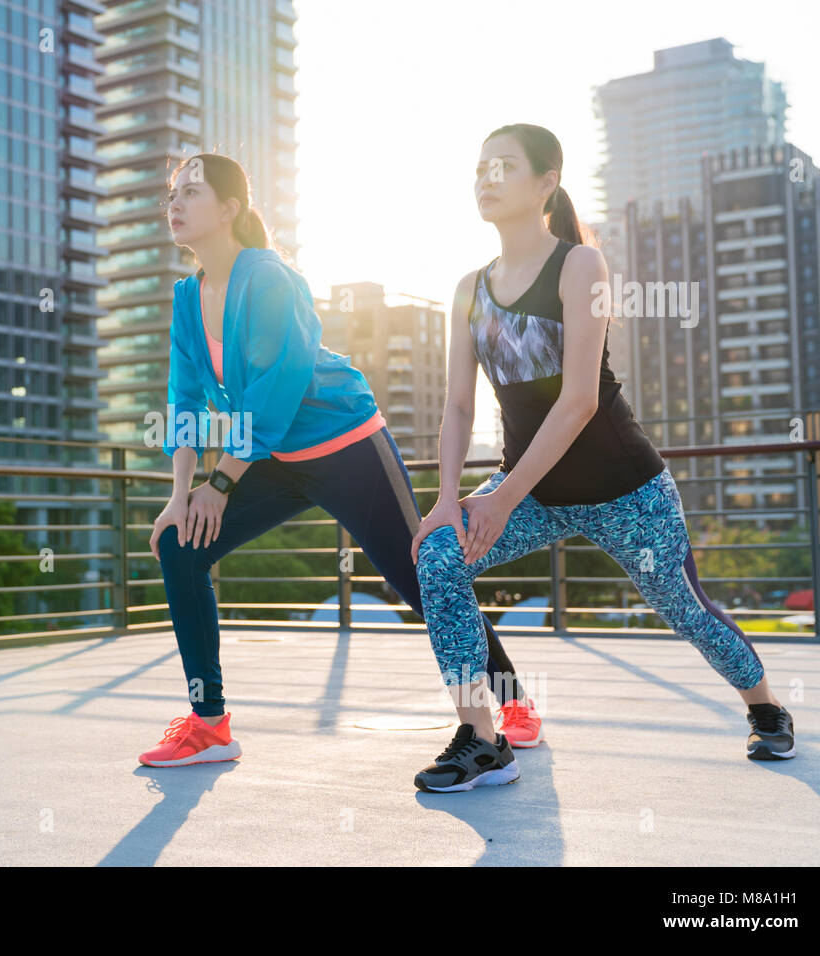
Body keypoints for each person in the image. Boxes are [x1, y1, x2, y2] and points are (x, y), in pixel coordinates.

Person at [409, 123, 795, 793]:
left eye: (504, 166)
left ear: (546, 183)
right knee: (438, 557)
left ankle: (766, 708)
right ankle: (481, 738)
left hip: (625, 489)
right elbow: (460, 409)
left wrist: (500, 497)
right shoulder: (469, 288)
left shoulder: (579, 265)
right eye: (480, 167)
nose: (487, 178)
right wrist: (449, 498)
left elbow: (580, 401)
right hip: (533, 494)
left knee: (685, 609)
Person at [140, 152, 539, 768]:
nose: (176, 204)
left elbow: (277, 389)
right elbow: (184, 398)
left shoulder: (269, 277)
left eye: (192, 192)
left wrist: (219, 483)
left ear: (229, 209)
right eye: (172, 194)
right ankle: (208, 721)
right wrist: (181, 494)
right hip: (271, 457)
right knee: (180, 546)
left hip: (345, 444)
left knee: (417, 574)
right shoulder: (188, 298)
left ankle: (510, 700)